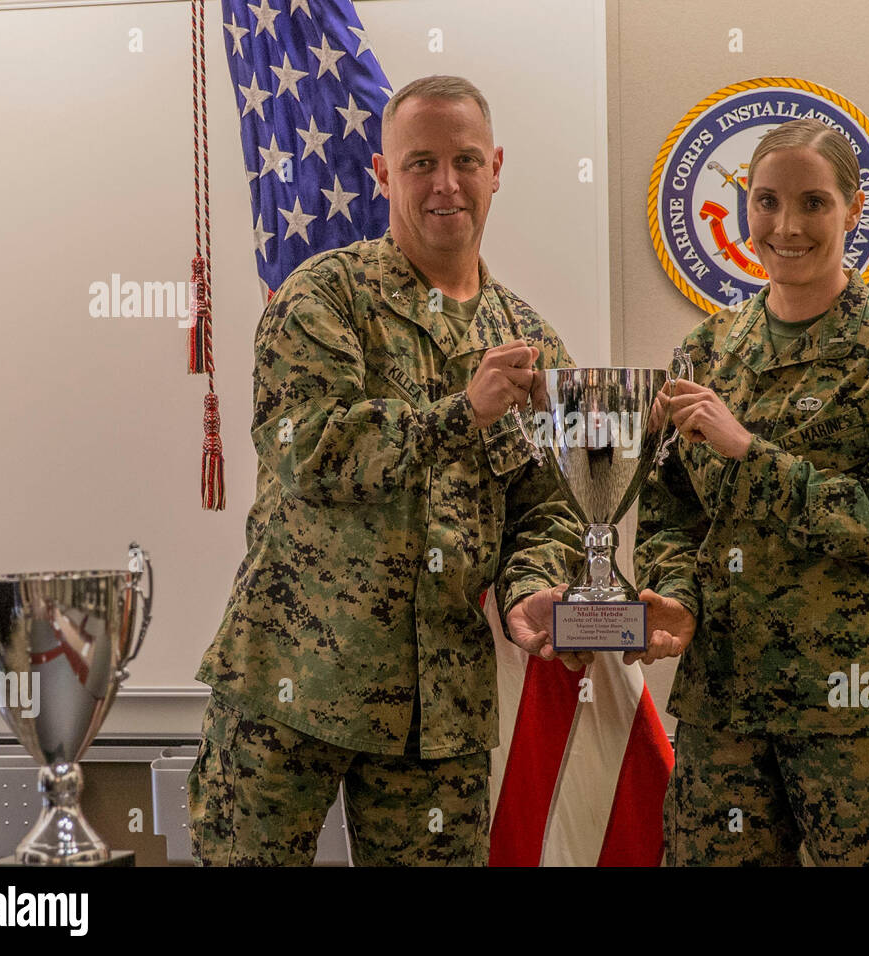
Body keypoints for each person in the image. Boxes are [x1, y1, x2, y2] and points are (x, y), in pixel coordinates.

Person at [188, 75, 584, 866]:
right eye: (420, 163)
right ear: (382, 174)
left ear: (496, 167)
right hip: (293, 681)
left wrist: (530, 588)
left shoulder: (530, 339)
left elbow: (554, 507)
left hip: (438, 713)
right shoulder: (322, 298)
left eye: (466, 160)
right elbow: (310, 451)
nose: (446, 184)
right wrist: (460, 413)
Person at [633, 118, 869, 866]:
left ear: (854, 210)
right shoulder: (707, 349)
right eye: (766, 201)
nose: (787, 226)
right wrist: (672, 594)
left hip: (862, 707)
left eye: (814, 203)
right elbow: (670, 512)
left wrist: (748, 451)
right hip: (725, 709)